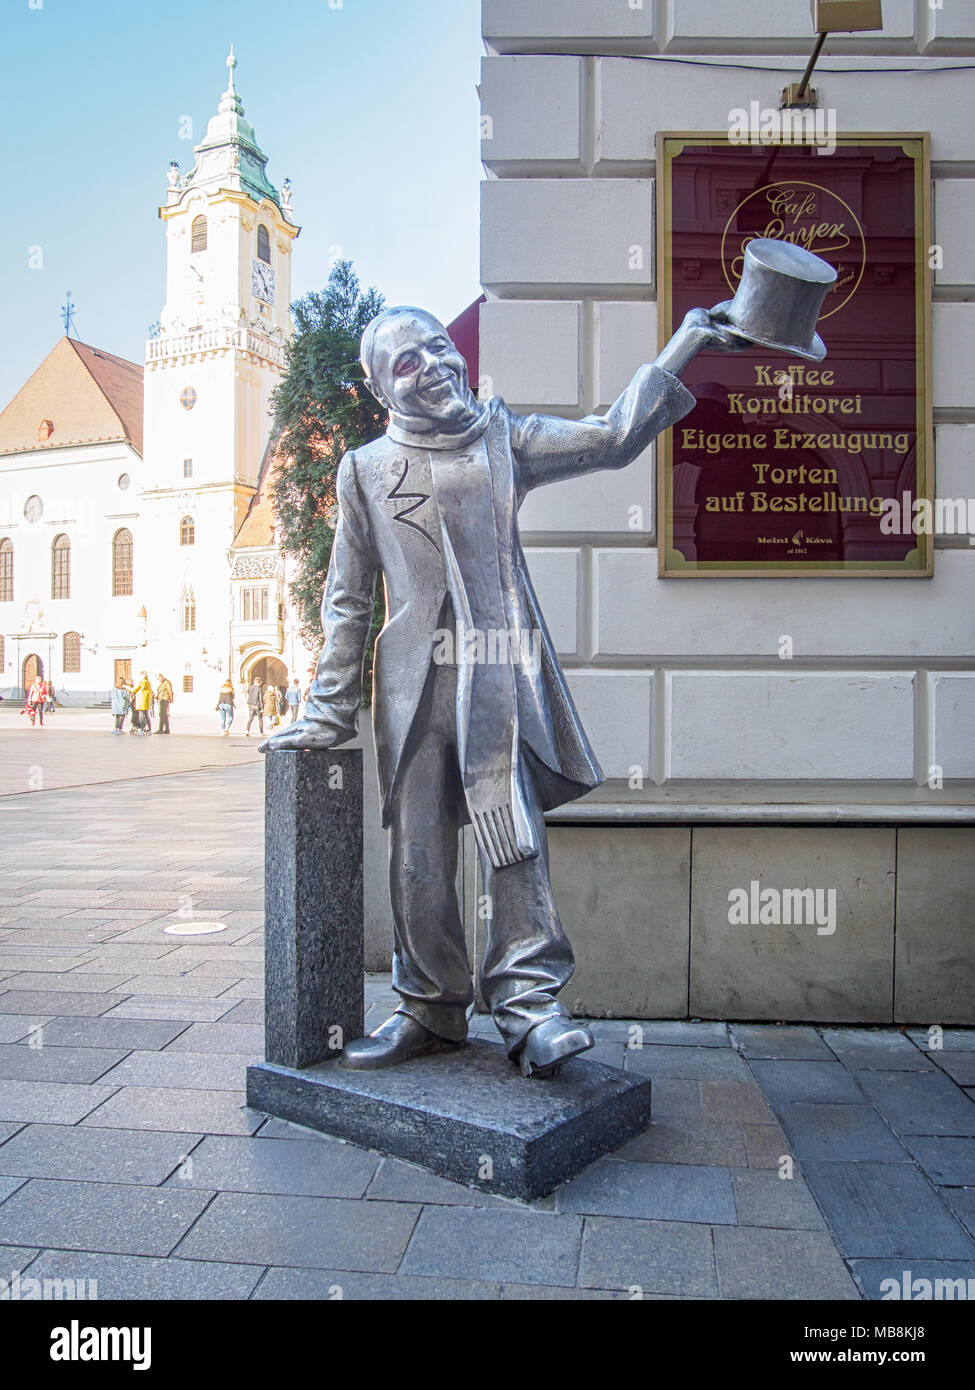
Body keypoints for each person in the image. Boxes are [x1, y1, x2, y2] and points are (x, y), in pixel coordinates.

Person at [263, 303, 738, 1077]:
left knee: (512, 839)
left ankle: (528, 1007)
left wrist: (686, 341)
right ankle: (427, 1008)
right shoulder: (362, 470)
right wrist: (325, 711)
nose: (435, 367)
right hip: (412, 689)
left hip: (495, 680)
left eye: (439, 348)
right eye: (407, 363)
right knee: (416, 856)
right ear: (379, 387)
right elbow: (346, 599)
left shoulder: (504, 439)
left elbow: (613, 435)